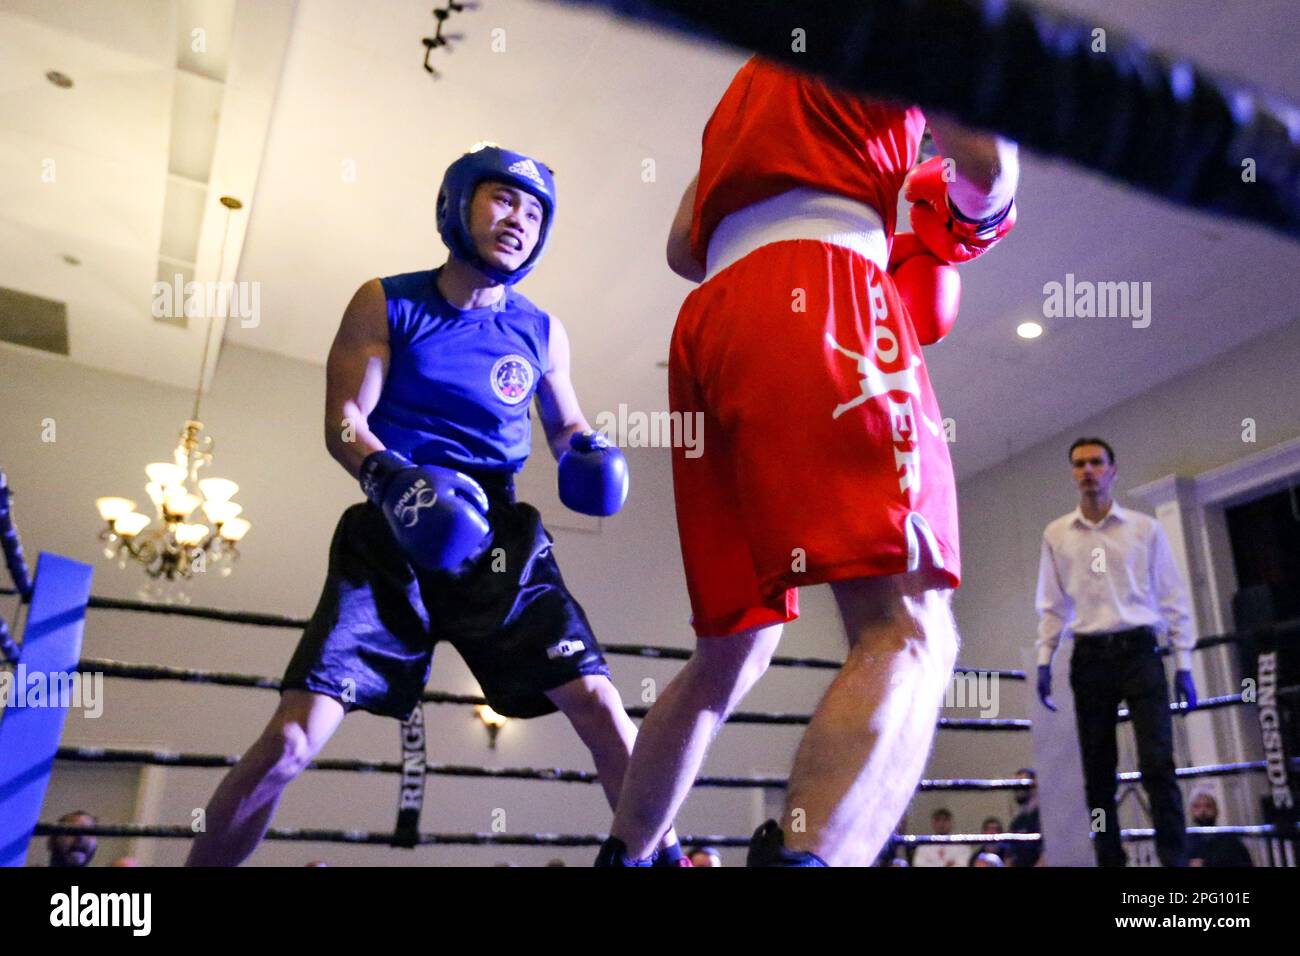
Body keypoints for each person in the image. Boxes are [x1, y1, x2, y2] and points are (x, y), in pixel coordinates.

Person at [186, 144, 683, 866]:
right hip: (394, 521)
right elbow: (345, 422)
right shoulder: (386, 300)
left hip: (499, 539)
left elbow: (565, 422)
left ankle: (667, 859)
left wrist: (585, 449)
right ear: (457, 204)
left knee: (602, 705)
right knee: (291, 741)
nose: (519, 220)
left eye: (534, 212)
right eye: (503, 199)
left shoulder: (542, 330)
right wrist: (391, 479)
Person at [597, 54, 1018, 867]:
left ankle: (627, 857)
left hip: (712, 327)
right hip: (824, 289)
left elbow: (684, 246)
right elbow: (987, 165)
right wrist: (972, 214)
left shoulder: (749, 79)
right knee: (911, 625)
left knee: (733, 648)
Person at [1035, 437, 1196, 867]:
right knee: (1097, 770)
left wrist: (1184, 663)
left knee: (1158, 761)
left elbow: (1173, 598)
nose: (1087, 470)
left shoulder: (1145, 529)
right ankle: (1110, 859)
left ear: (1112, 470)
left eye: (1095, 462)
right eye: (1079, 464)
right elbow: (1052, 605)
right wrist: (1044, 659)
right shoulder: (1056, 534)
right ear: (1073, 473)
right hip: (1089, 657)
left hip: (1140, 650)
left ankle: (1174, 860)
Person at [1186, 791, 1253, 867]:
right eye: (1197, 806)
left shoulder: (1230, 841)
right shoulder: (1185, 842)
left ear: (1216, 810)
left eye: (1208, 806)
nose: (1203, 810)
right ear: (1191, 811)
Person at [1005, 767, 1042, 867]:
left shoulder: (1044, 817)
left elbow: (1047, 854)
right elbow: (1009, 856)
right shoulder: (1017, 822)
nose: (1017, 790)